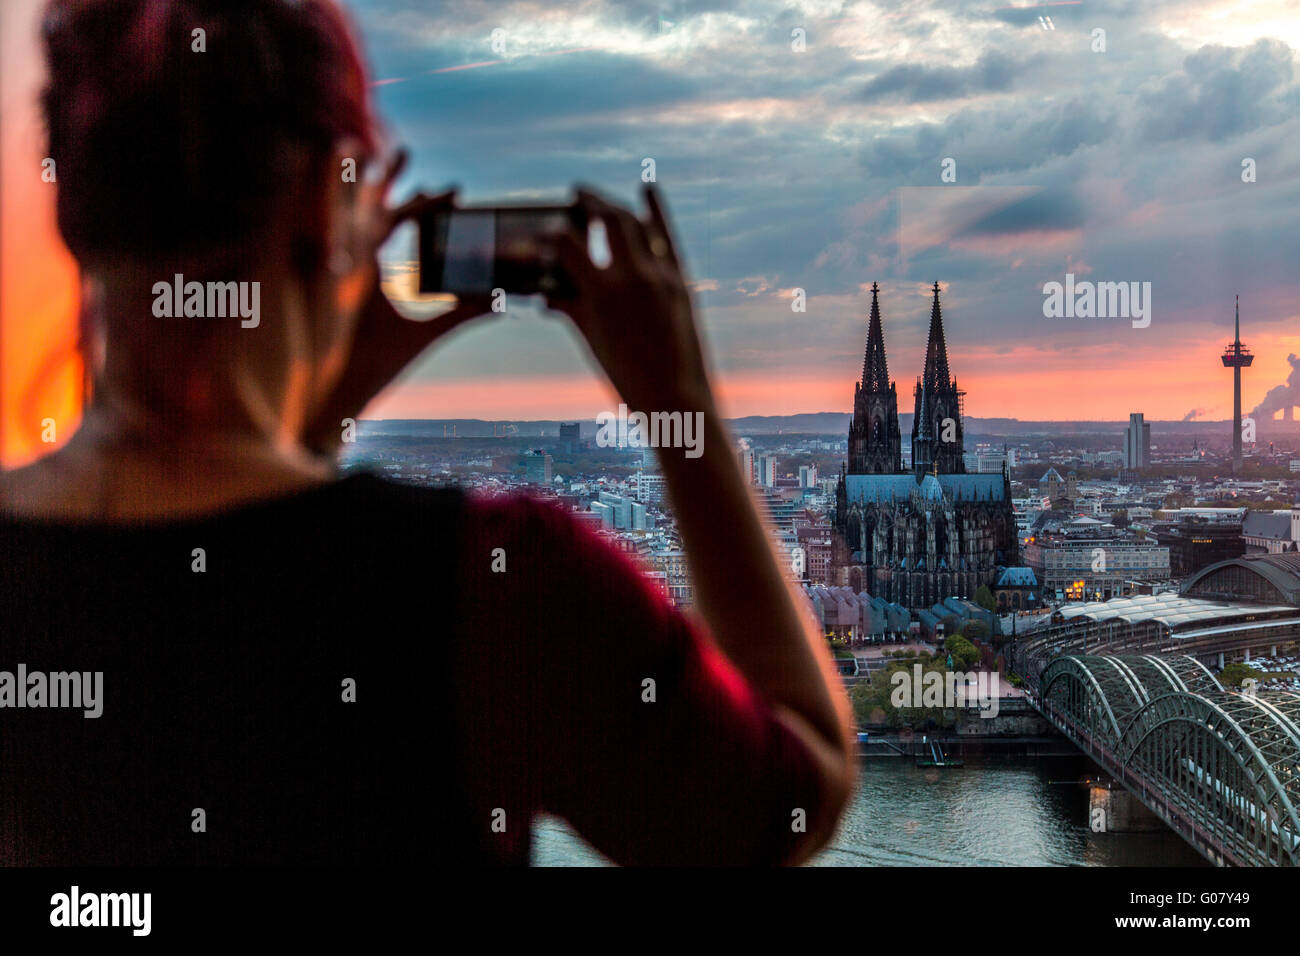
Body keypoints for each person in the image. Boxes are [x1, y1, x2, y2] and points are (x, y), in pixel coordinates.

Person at [0, 0, 853, 866]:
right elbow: (791, 803)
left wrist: (321, 412)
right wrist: (683, 404)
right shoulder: (497, 581)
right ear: (328, 204)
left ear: (70, 206)